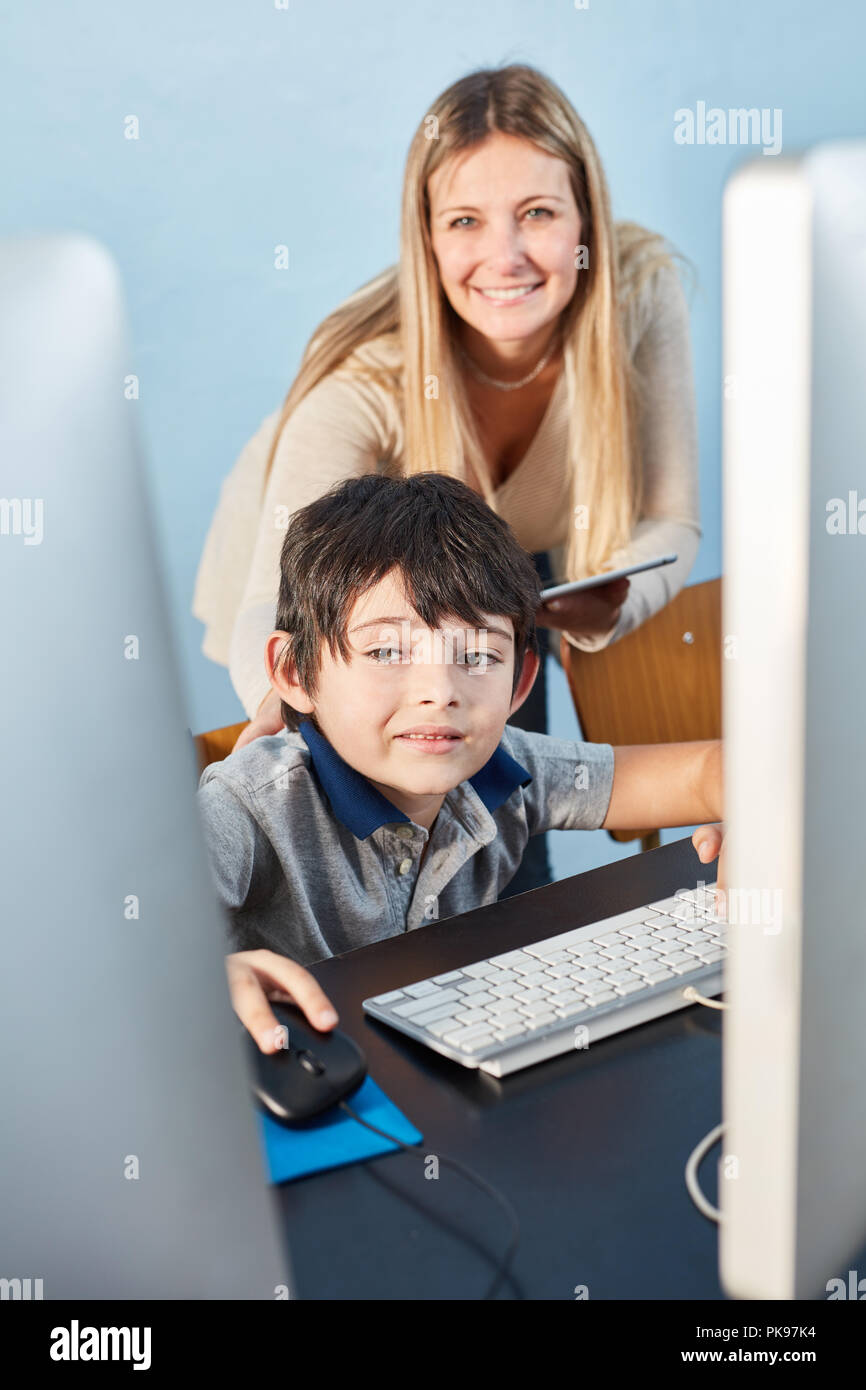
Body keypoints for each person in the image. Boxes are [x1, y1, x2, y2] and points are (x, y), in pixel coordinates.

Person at [192, 63, 702, 896]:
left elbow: (673, 521)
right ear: (426, 238)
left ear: (587, 221)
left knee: (500, 826)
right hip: (336, 597)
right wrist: (285, 708)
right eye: (465, 221)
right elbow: (272, 606)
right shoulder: (364, 382)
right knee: (372, 849)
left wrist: (617, 602)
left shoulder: (640, 294)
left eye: (537, 213)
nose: (504, 257)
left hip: (499, 577)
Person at [196, 473, 724, 1055]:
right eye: (385, 651)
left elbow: (708, 772)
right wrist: (194, 981)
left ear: (519, 683)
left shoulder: (503, 767)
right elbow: (116, 945)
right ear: (296, 672)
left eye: (477, 655)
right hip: (302, 1091)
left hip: (441, 1063)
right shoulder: (247, 803)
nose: (439, 690)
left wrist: (760, 819)